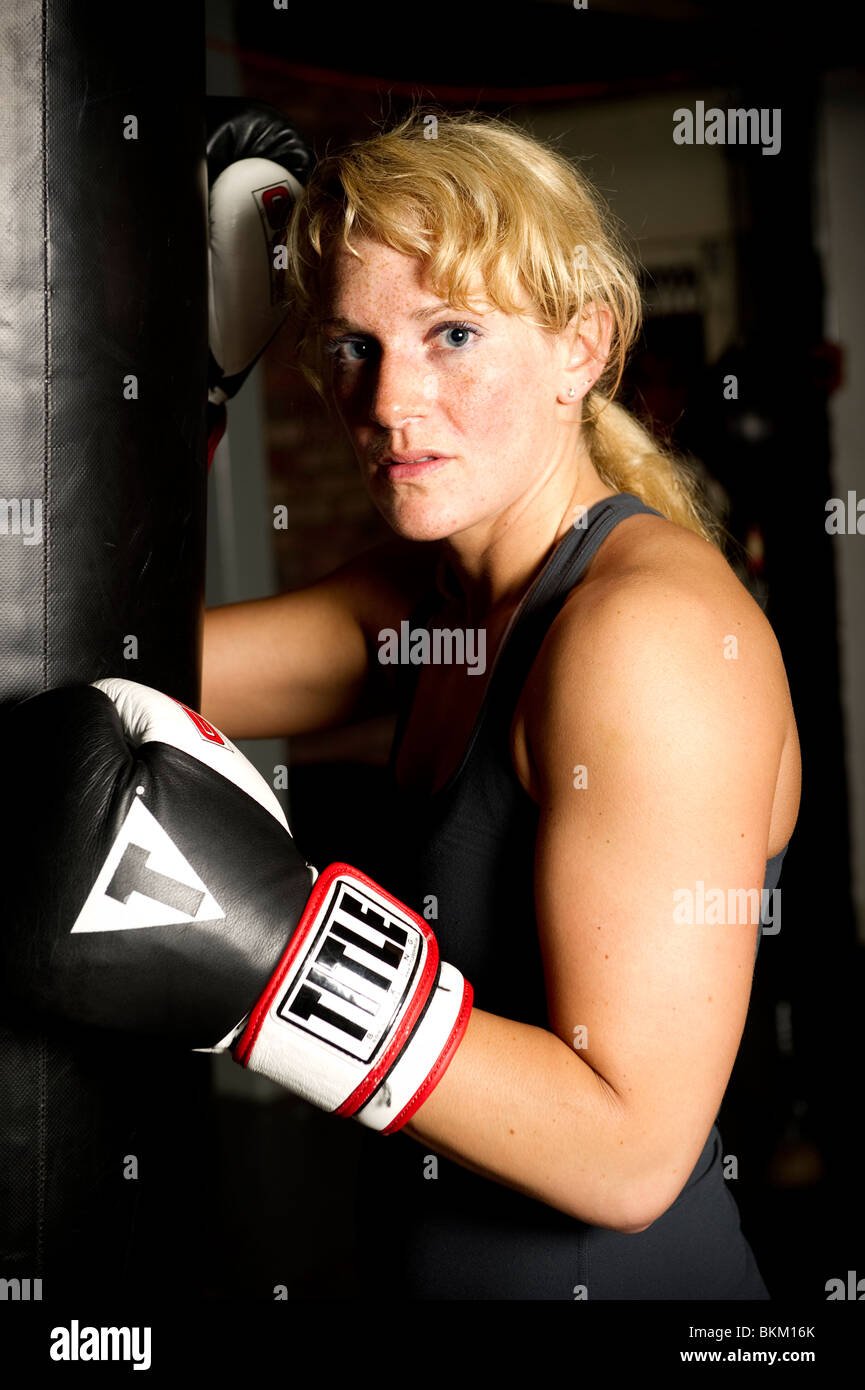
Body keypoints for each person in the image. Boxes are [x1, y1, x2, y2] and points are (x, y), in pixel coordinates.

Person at [201, 107, 800, 1300]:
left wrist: (275, 962)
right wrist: (184, 396)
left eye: (453, 334)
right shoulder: (431, 597)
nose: (387, 404)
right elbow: (100, 667)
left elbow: (631, 1153)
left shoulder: (643, 638)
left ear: (583, 344)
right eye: (353, 347)